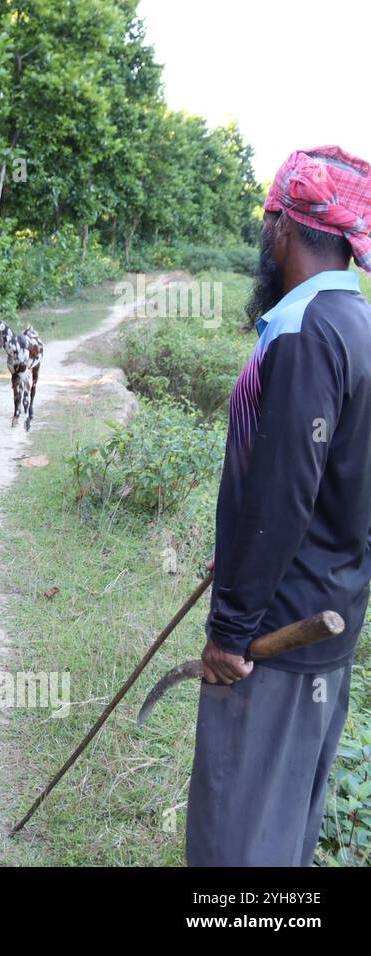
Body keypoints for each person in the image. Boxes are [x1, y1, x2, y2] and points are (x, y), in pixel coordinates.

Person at [187, 145, 371, 866]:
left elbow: (283, 495)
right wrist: (237, 553)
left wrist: (231, 627)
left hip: (273, 637)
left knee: (238, 832)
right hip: (328, 620)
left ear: (282, 229)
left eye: (269, 223)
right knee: (285, 824)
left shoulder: (302, 334)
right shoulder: (357, 327)